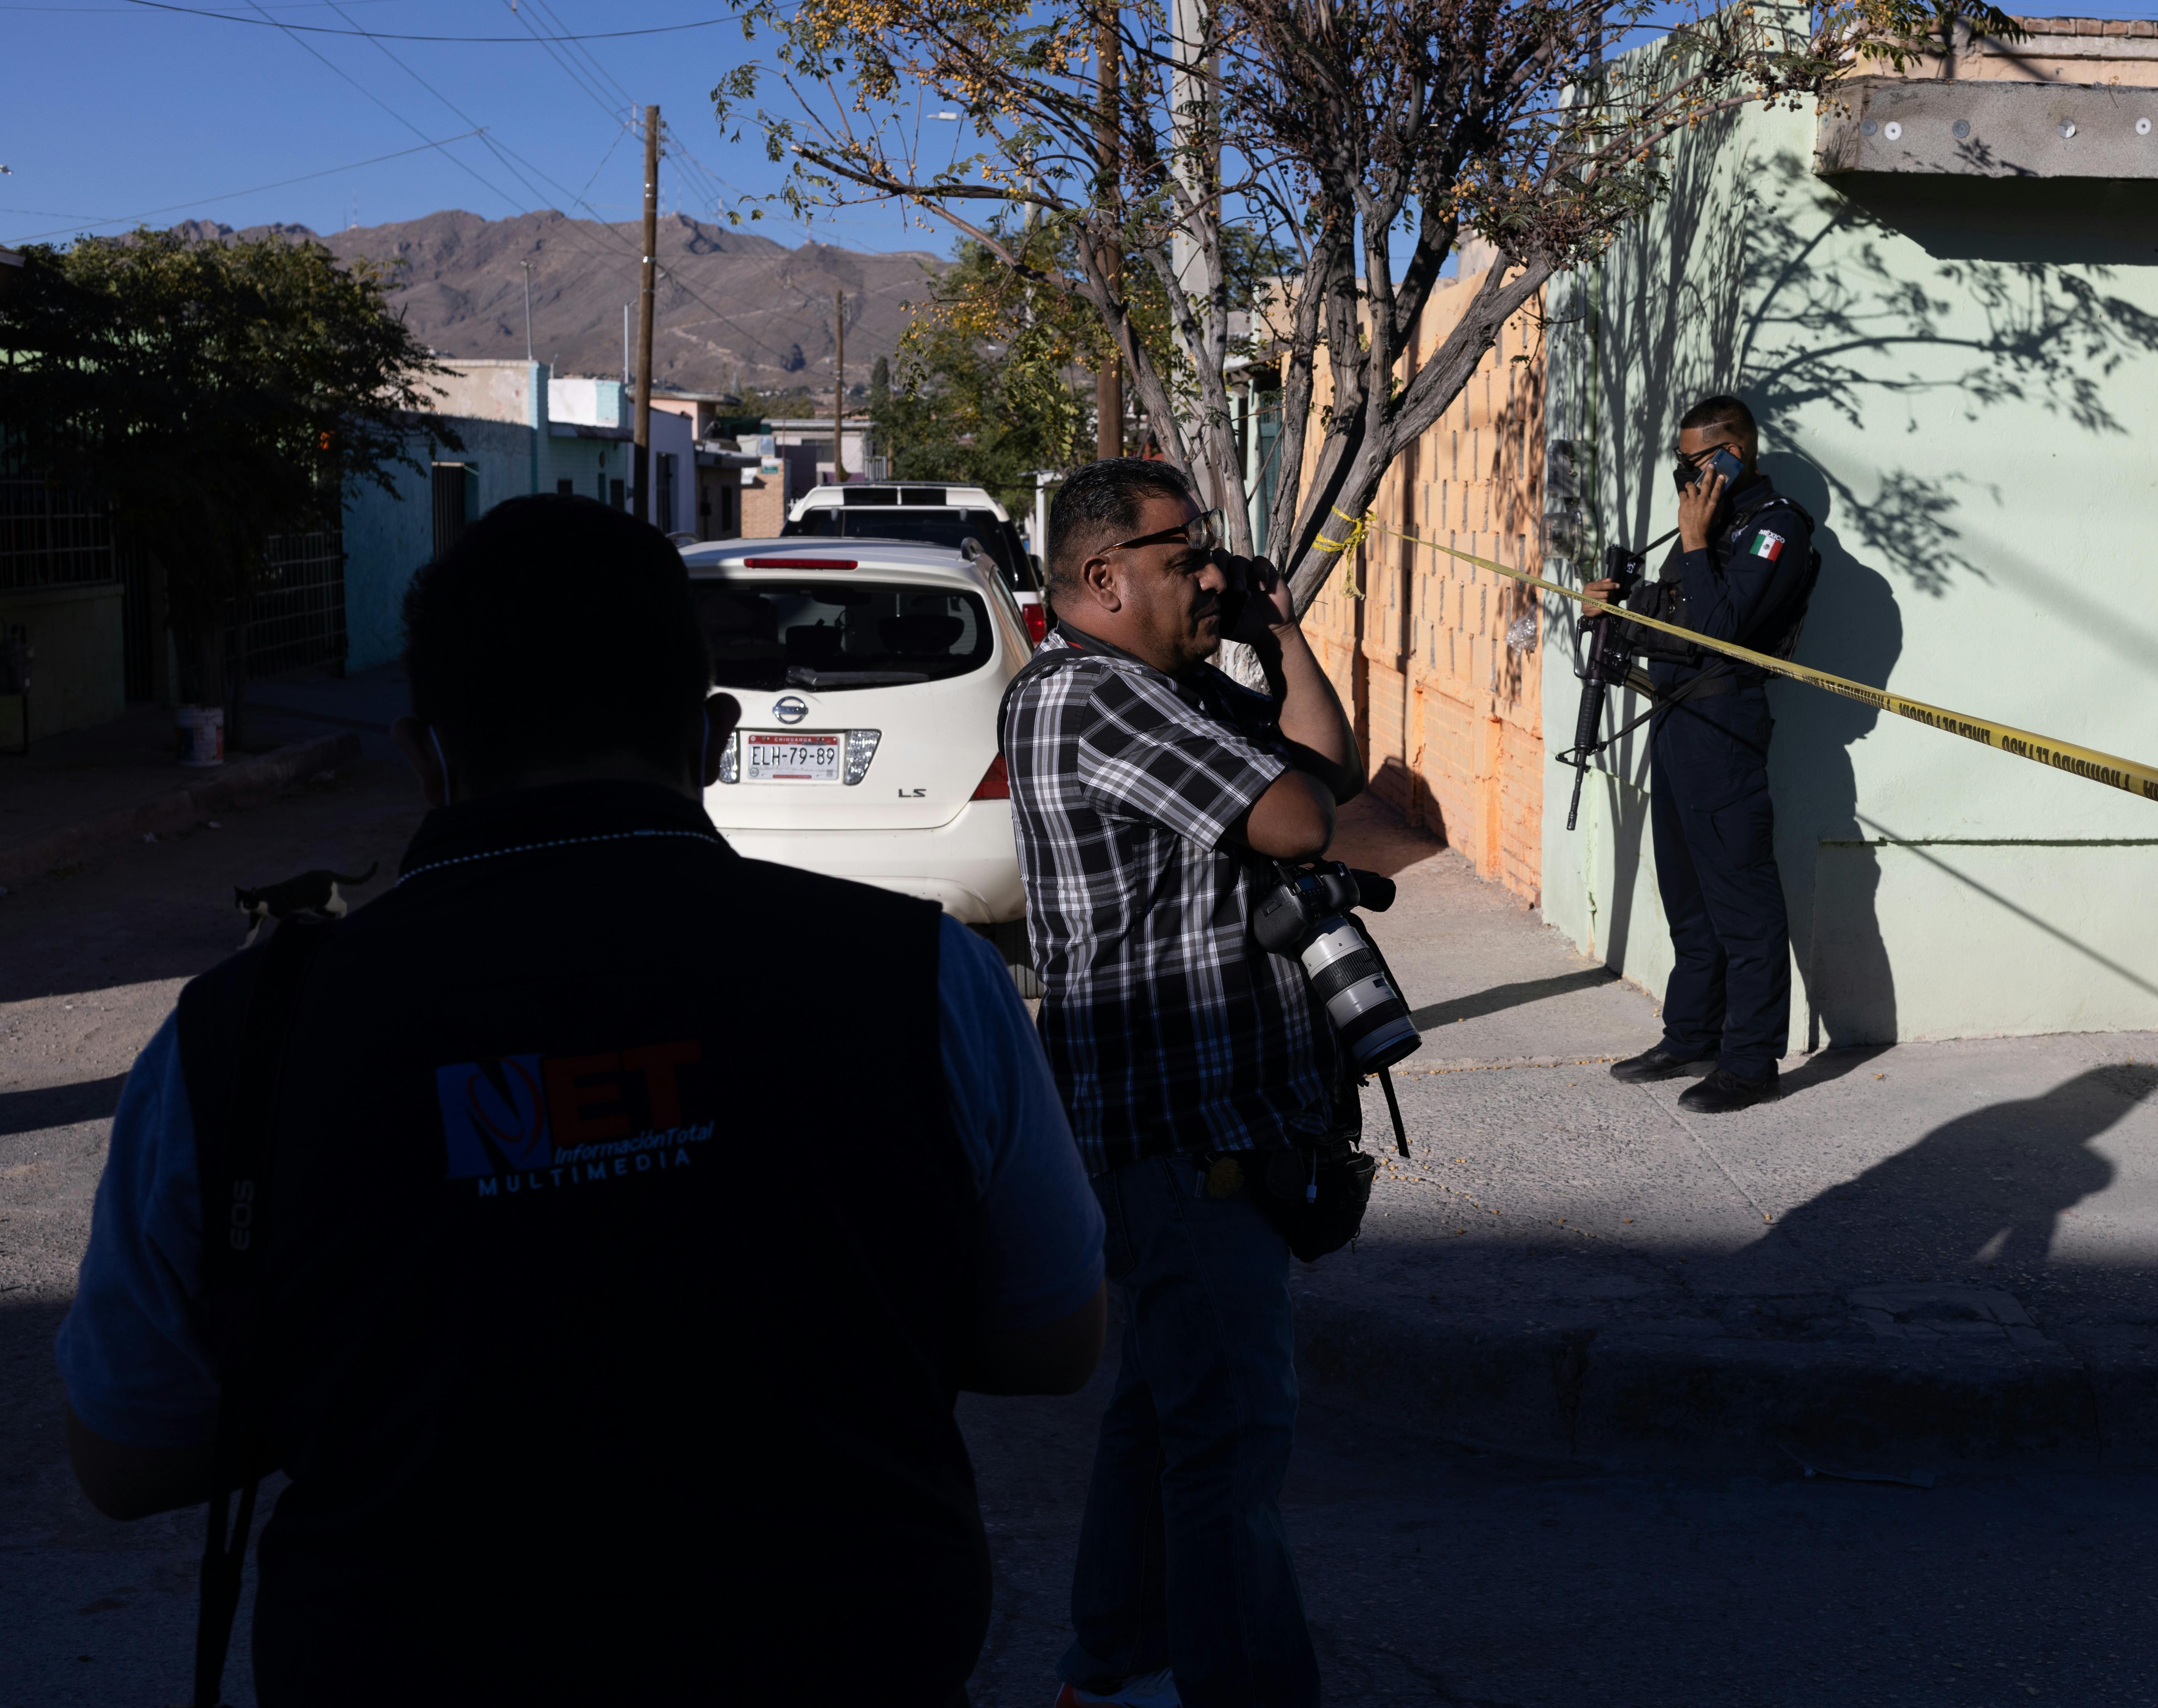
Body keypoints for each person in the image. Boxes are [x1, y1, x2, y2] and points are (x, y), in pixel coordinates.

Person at [55, 494, 1105, 1706]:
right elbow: (1051, 1337)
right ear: (711, 735)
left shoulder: (242, 1032)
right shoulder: (922, 977)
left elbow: (129, 1452)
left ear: (422, 752)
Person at [999, 458, 1362, 1708]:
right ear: (1102, 579)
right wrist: (1252, 680)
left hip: (1196, 1133)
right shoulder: (1100, 697)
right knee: (1232, 1454)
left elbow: (1334, 768)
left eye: (1208, 552)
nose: (1208, 574)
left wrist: (1279, 634)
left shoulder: (1167, 690)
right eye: (1181, 556)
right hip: (1180, 1141)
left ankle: (1113, 1662)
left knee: (1168, 1417)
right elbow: (1303, 822)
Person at [1600, 394, 1820, 1113]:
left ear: (1734, 454)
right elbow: (1673, 619)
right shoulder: (1704, 524)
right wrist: (1616, 609)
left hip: (1725, 731)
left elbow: (1721, 627)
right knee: (1688, 898)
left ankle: (1751, 1061)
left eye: (1691, 460)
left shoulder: (1774, 526)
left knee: (1743, 905)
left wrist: (1695, 545)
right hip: (1675, 726)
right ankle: (1691, 1033)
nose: (1681, 473)